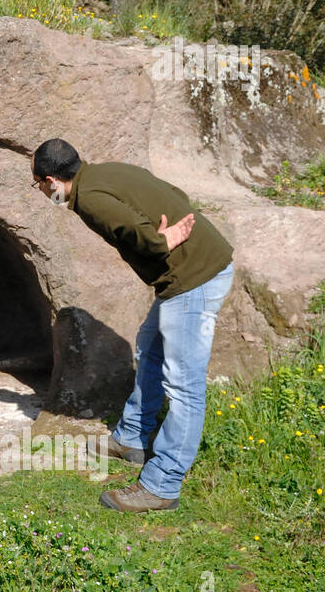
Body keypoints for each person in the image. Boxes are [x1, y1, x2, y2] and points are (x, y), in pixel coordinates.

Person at [32, 138, 235, 512]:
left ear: (51, 181)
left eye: (39, 186)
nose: (44, 194)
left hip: (194, 278)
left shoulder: (90, 198)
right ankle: (131, 438)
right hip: (190, 272)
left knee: (184, 386)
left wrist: (160, 242)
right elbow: (172, 193)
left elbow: (132, 228)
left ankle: (162, 485)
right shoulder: (105, 173)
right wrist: (163, 232)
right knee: (150, 347)